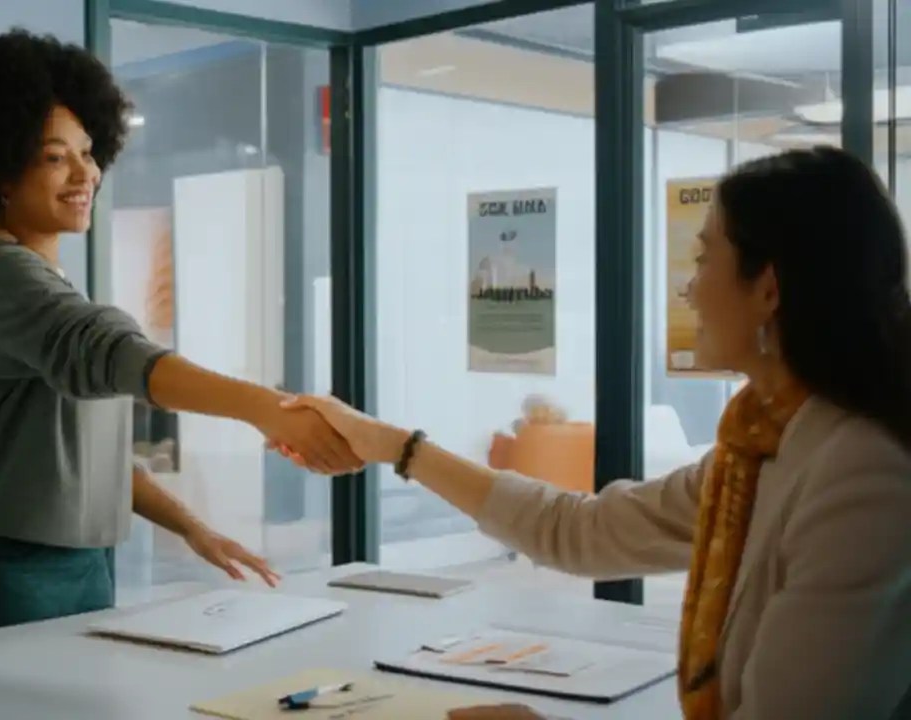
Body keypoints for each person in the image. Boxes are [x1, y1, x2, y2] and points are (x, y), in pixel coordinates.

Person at [281, 147, 911, 719]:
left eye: (702, 258)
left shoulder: (863, 475)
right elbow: (579, 531)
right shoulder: (757, 446)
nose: (689, 288)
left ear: (768, 287)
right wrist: (393, 446)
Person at [0, 29, 360, 640]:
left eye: (88, 152)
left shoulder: (42, 276)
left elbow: (91, 458)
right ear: (1, 173)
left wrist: (191, 527)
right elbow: (112, 350)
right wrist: (266, 410)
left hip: (82, 566)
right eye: (53, 156)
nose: (84, 173)